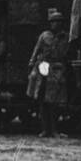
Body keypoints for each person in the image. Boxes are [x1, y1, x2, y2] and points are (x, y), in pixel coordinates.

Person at [26, 8, 69, 137]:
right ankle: (45, 129)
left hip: (57, 69)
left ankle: (54, 130)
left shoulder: (65, 37)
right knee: (43, 101)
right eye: (53, 22)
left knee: (54, 102)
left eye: (58, 22)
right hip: (44, 67)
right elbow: (36, 50)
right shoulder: (44, 36)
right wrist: (31, 63)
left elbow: (67, 54)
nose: (56, 24)